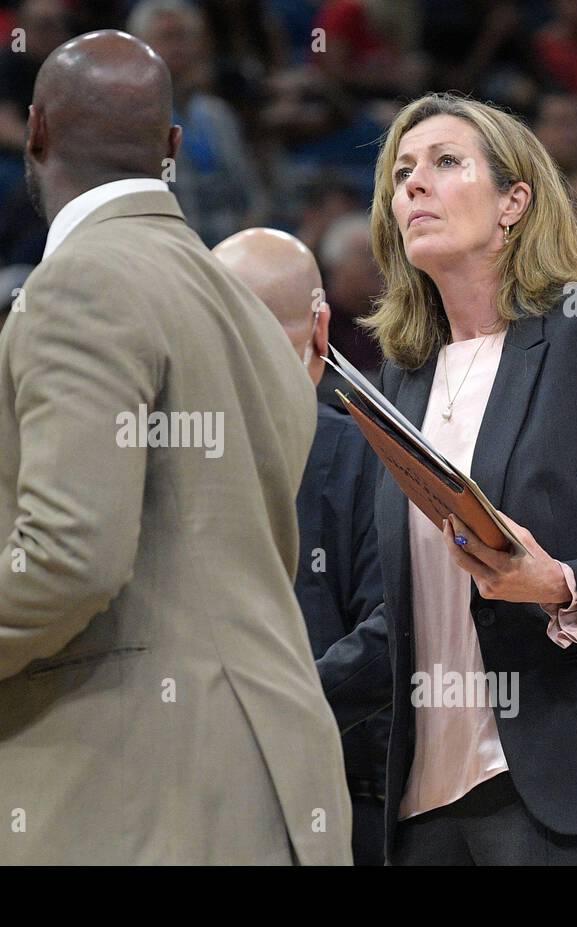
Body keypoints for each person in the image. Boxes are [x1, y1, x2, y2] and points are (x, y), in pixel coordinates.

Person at [0, 30, 352, 865]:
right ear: (173, 147)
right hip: (281, 783)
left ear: (34, 131)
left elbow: (73, 557)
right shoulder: (250, 313)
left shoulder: (82, 283)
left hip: (146, 792)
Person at [318, 92, 577, 865]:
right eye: (401, 172)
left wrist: (562, 585)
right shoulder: (403, 380)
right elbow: (414, 614)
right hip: (422, 807)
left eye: (445, 163)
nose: (413, 185)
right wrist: (286, 698)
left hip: (560, 790)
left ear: (515, 201)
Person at [214, 227, 386, 865]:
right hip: (338, 798)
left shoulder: (146, 458)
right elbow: (396, 630)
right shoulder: (379, 458)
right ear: (322, 329)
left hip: (308, 791)